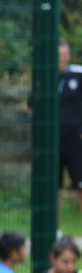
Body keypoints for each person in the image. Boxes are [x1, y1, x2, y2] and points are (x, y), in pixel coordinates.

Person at [59, 39, 82, 216]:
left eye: (66, 55)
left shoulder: (78, 74)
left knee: (80, 186)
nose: (63, 59)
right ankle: (54, 232)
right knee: (53, 187)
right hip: (52, 143)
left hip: (75, 141)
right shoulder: (45, 76)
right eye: (60, 55)